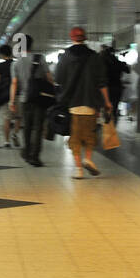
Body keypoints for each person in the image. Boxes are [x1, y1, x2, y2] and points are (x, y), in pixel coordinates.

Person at [53, 27, 112, 179]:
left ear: (71, 37)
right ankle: (88, 159)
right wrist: (107, 102)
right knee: (90, 133)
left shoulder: (65, 56)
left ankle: (78, 169)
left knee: (75, 136)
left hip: (72, 103)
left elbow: (58, 78)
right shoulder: (95, 56)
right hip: (91, 102)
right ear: (85, 38)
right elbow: (102, 82)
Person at [10, 34, 53, 167]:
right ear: (31, 45)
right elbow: (49, 78)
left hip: (24, 99)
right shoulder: (40, 58)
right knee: (38, 128)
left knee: (27, 127)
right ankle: (35, 156)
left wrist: (11, 101)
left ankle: (27, 152)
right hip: (40, 98)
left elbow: (14, 83)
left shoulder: (16, 63)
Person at [100, 44, 129, 123]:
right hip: (117, 88)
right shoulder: (118, 62)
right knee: (114, 108)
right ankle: (113, 125)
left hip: (106, 88)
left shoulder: (103, 63)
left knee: (106, 107)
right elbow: (127, 70)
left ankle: (107, 123)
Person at [0, 44, 17, 148]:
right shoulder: (16, 64)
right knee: (18, 117)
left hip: (5, 95)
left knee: (6, 119)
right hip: (17, 93)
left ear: (1, 54)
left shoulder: (0, 66)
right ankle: (15, 134)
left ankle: (6, 141)